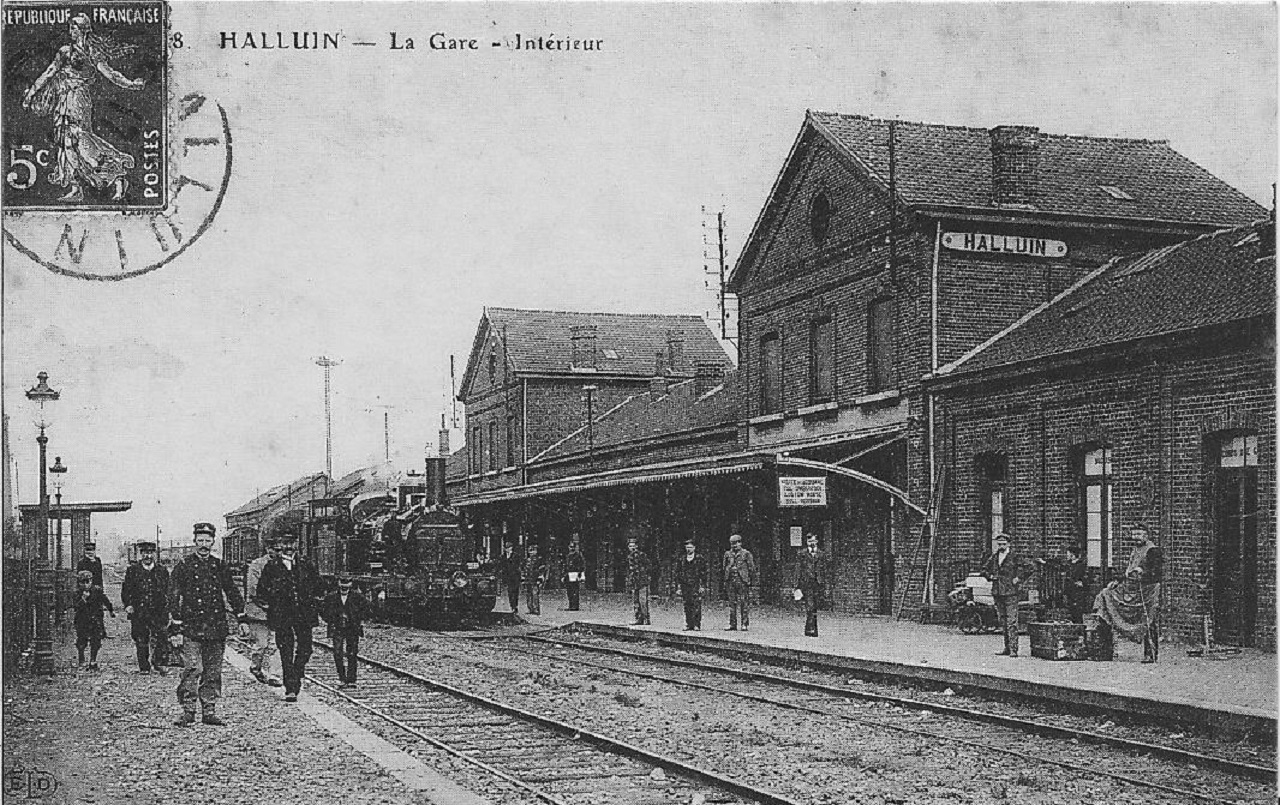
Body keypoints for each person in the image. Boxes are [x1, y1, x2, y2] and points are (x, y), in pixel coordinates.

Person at [20, 14, 147, 202]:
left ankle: (116, 175)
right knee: (65, 142)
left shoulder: (93, 52)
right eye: (70, 28)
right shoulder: (65, 51)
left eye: (73, 28)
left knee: (78, 139)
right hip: (63, 99)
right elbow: (49, 72)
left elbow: (110, 74)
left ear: (82, 30)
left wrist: (131, 84)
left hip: (78, 99)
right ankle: (76, 188)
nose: (70, 31)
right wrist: (31, 93)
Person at [168, 522, 247, 726]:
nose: (204, 544)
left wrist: (241, 617)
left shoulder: (219, 566)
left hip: (215, 627)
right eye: (200, 540)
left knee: (213, 671)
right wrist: (176, 626)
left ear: (212, 542)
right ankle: (188, 710)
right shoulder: (184, 565)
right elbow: (173, 595)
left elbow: (232, 592)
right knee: (192, 669)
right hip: (191, 627)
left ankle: (209, 710)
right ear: (194, 541)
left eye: (207, 541)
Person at [255, 532, 324, 703]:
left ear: (296, 544)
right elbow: (261, 591)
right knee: (286, 651)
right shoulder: (272, 566)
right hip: (282, 615)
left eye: (291, 543)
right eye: (285, 543)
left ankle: (296, 672)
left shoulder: (306, 564)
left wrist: (313, 601)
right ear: (280, 545)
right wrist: (272, 605)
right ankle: (291, 688)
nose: (288, 547)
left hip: (304, 614)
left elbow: (319, 586)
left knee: (306, 649)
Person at [1095, 526, 1164, 664]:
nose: (1136, 537)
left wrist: (1143, 572)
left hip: (1147, 590)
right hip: (1131, 588)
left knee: (1149, 619)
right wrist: (1117, 581)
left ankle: (1150, 653)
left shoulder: (1153, 551)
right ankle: (1105, 650)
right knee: (1104, 595)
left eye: (1139, 534)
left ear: (1146, 535)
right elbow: (1129, 570)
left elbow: (1157, 572)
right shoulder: (1135, 550)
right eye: (1134, 534)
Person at [980, 533, 1035, 657]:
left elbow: (1030, 568)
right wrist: (990, 576)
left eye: (1004, 544)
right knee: (1003, 621)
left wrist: (1019, 578)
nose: (1001, 546)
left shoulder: (1015, 557)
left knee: (1011, 621)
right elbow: (983, 569)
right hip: (997, 592)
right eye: (999, 544)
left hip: (1011, 593)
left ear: (1008, 544)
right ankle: (1007, 647)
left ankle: (1013, 649)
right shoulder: (994, 557)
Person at [121, 541, 169, 674]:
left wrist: (168, 606)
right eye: (145, 553)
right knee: (141, 638)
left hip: (158, 610)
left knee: (161, 637)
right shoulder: (133, 570)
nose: (148, 556)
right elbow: (126, 590)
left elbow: (168, 589)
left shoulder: (162, 570)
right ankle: (144, 666)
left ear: (154, 554)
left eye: (150, 553)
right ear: (140, 554)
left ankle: (159, 662)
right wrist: (128, 604)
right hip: (139, 610)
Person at [242, 537, 282, 687]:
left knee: (275, 645)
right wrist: (267, 604)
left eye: (281, 550)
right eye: (276, 550)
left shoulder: (283, 565)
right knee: (261, 644)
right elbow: (253, 589)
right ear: (268, 549)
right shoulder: (257, 565)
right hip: (259, 611)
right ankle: (255, 667)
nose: (278, 553)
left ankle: (274, 675)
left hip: (276, 611)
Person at [321, 575, 369, 688]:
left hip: (352, 628)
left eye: (347, 584)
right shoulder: (331, 597)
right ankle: (342, 678)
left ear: (351, 584)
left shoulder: (358, 597)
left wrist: (359, 619)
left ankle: (351, 679)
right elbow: (323, 611)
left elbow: (366, 609)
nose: (344, 586)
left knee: (352, 653)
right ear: (338, 583)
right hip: (337, 628)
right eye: (342, 583)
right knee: (337, 653)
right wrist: (330, 620)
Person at [74, 570, 114, 670]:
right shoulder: (77, 593)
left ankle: (93, 660)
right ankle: (81, 658)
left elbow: (105, 600)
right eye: (82, 582)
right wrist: (83, 599)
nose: (85, 585)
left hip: (96, 619)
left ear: (91, 581)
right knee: (81, 640)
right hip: (82, 620)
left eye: (88, 582)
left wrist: (110, 610)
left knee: (96, 640)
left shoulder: (97, 591)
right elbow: (75, 606)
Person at [722, 534, 756, 631]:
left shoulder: (746, 554)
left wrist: (749, 580)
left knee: (743, 602)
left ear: (740, 543)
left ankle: (744, 624)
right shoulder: (727, 554)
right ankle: (732, 624)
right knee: (732, 603)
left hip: (742, 580)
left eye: (736, 543)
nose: (734, 545)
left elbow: (751, 568)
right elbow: (724, 566)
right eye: (732, 543)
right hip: (730, 580)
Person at [795, 533, 826, 638]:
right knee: (810, 606)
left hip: (818, 583)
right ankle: (811, 629)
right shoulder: (802, 554)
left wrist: (825, 584)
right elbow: (798, 569)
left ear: (816, 541)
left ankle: (811, 628)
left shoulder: (821, 554)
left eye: (813, 541)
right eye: (809, 541)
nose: (811, 543)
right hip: (806, 583)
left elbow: (824, 570)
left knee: (815, 607)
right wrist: (797, 585)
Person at [675, 539, 707, 630]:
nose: (689, 549)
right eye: (687, 547)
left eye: (690, 547)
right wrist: (679, 587)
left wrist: (702, 586)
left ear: (694, 548)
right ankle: (689, 624)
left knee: (696, 604)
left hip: (695, 584)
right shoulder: (681, 559)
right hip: (685, 584)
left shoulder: (699, 558)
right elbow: (678, 573)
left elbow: (703, 573)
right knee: (687, 604)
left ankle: (696, 624)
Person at [627, 538, 652, 626]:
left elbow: (649, 566)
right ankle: (638, 618)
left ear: (637, 546)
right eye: (630, 546)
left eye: (633, 546)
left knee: (643, 601)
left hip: (642, 581)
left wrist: (645, 575)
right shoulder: (629, 557)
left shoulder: (642, 555)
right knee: (636, 601)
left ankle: (646, 619)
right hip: (634, 581)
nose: (632, 548)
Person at [1062, 545, 1088, 624]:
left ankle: (1079, 625)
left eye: (1068, 553)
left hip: (1077, 591)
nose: (1067, 555)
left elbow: (1087, 576)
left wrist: (1082, 582)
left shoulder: (1081, 565)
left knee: (1078, 610)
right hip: (1069, 589)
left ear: (1072, 554)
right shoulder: (1068, 565)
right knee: (1071, 609)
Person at [520, 543, 547, 616]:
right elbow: (524, 570)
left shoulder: (539, 560)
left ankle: (536, 609)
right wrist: (523, 578)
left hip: (535, 579)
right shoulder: (527, 560)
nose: (531, 552)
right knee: (528, 594)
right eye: (530, 551)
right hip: (528, 579)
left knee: (535, 594)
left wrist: (540, 579)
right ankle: (530, 608)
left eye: (533, 551)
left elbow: (541, 570)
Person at [564, 536, 586, 612]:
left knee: (574, 590)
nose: (571, 548)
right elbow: (565, 566)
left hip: (575, 574)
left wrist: (581, 574)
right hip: (568, 574)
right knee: (569, 590)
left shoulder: (578, 555)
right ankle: (571, 605)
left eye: (573, 547)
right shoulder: (568, 556)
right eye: (570, 547)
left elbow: (582, 565)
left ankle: (575, 606)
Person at [500, 542, 522, 613]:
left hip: (515, 576)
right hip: (508, 576)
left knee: (515, 591)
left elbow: (516, 565)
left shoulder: (516, 555)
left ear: (511, 548)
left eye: (508, 548)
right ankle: (512, 606)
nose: (507, 549)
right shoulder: (503, 556)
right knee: (510, 591)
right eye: (506, 548)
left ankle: (515, 606)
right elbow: (502, 566)